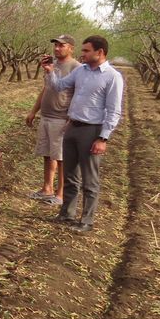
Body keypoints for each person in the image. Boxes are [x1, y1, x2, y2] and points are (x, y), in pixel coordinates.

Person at [43, 35, 124, 233]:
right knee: (70, 175)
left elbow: (114, 111)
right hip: (72, 127)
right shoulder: (81, 70)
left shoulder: (112, 77)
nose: (83, 53)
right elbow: (59, 86)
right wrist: (50, 72)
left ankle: (86, 221)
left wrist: (103, 138)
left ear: (100, 52)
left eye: (87, 50)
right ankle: (66, 214)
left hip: (92, 130)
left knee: (90, 179)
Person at [25, 35, 79, 205]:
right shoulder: (52, 65)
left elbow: (78, 94)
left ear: (71, 48)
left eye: (61, 46)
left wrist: (72, 117)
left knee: (61, 157)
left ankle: (60, 194)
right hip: (46, 116)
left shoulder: (76, 68)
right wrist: (34, 111)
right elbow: (46, 88)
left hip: (61, 118)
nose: (57, 49)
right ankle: (46, 188)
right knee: (47, 154)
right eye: (55, 45)